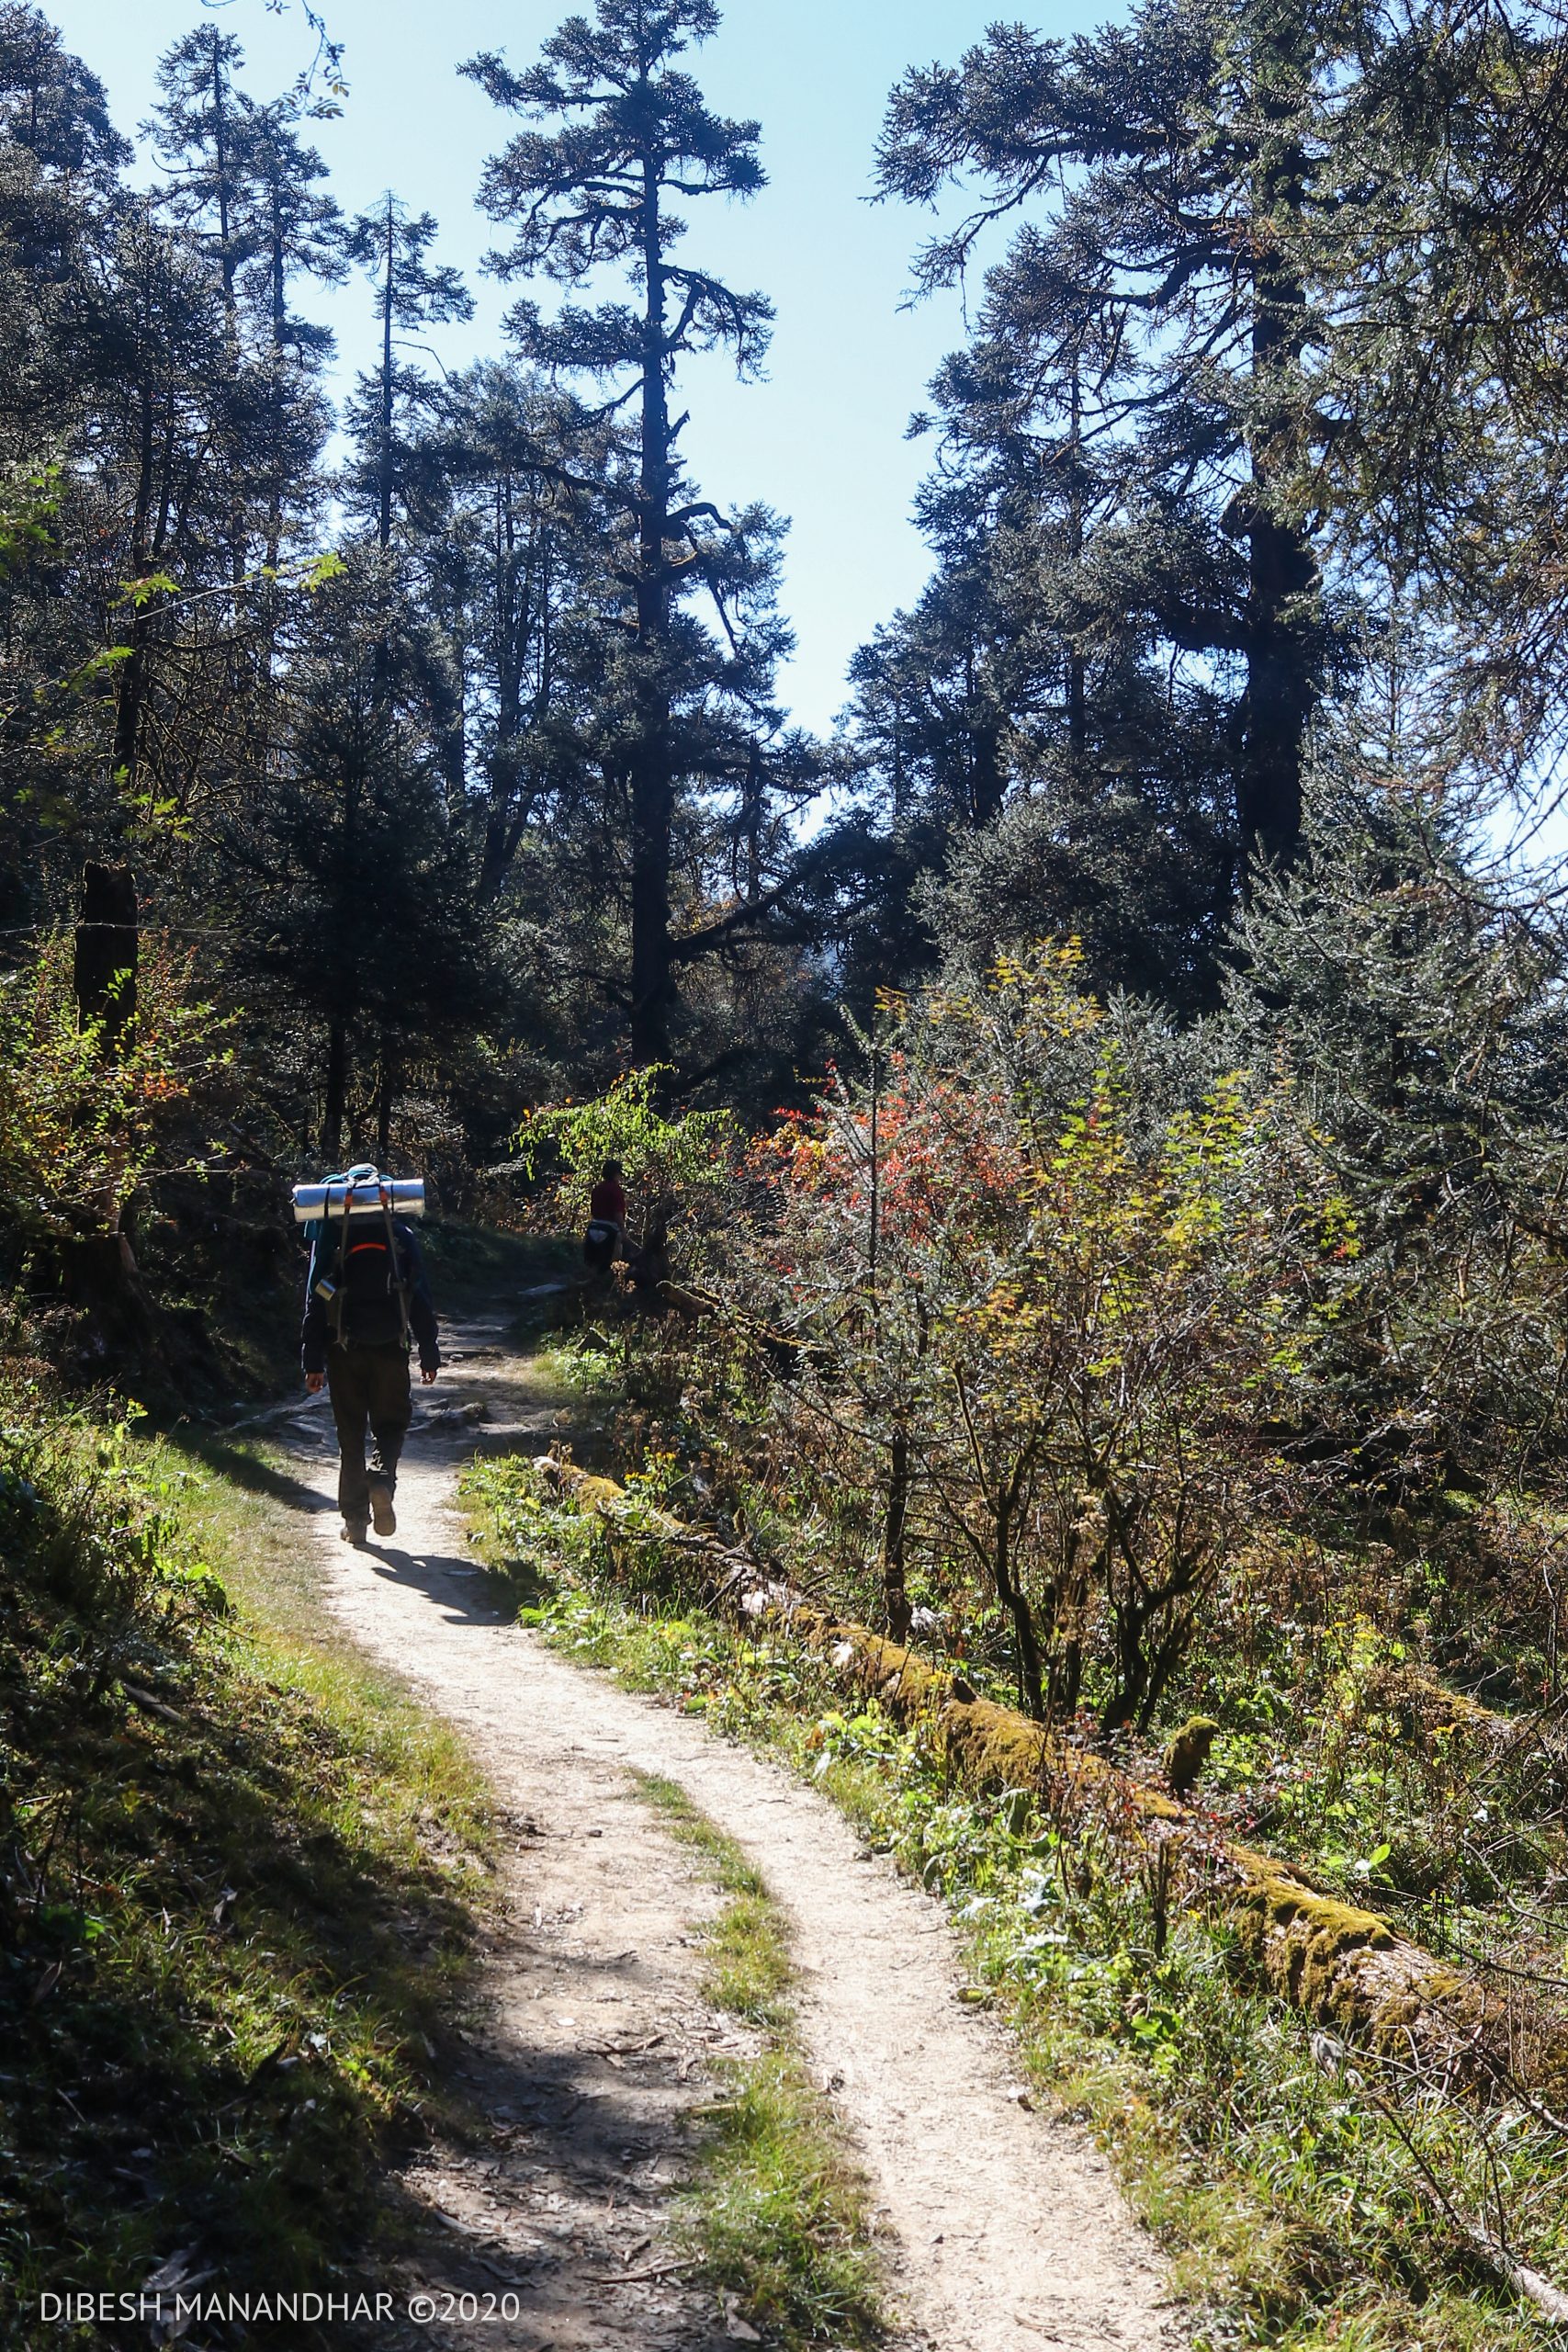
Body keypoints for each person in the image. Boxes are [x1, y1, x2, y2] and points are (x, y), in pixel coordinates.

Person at [301, 1188, 440, 1545]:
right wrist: (429, 1351)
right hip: (391, 1348)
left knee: (350, 1435)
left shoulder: (332, 1238)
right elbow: (420, 1296)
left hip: (342, 1350)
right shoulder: (401, 1238)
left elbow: (316, 1301)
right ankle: (381, 1476)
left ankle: (356, 1523)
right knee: (391, 1423)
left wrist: (313, 1361)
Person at [583, 1159, 627, 1274]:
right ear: (615, 1174)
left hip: (593, 1227)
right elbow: (617, 1213)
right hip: (610, 1230)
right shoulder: (616, 1190)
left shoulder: (597, 1189)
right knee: (615, 1262)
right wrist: (623, 1231)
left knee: (592, 1265)